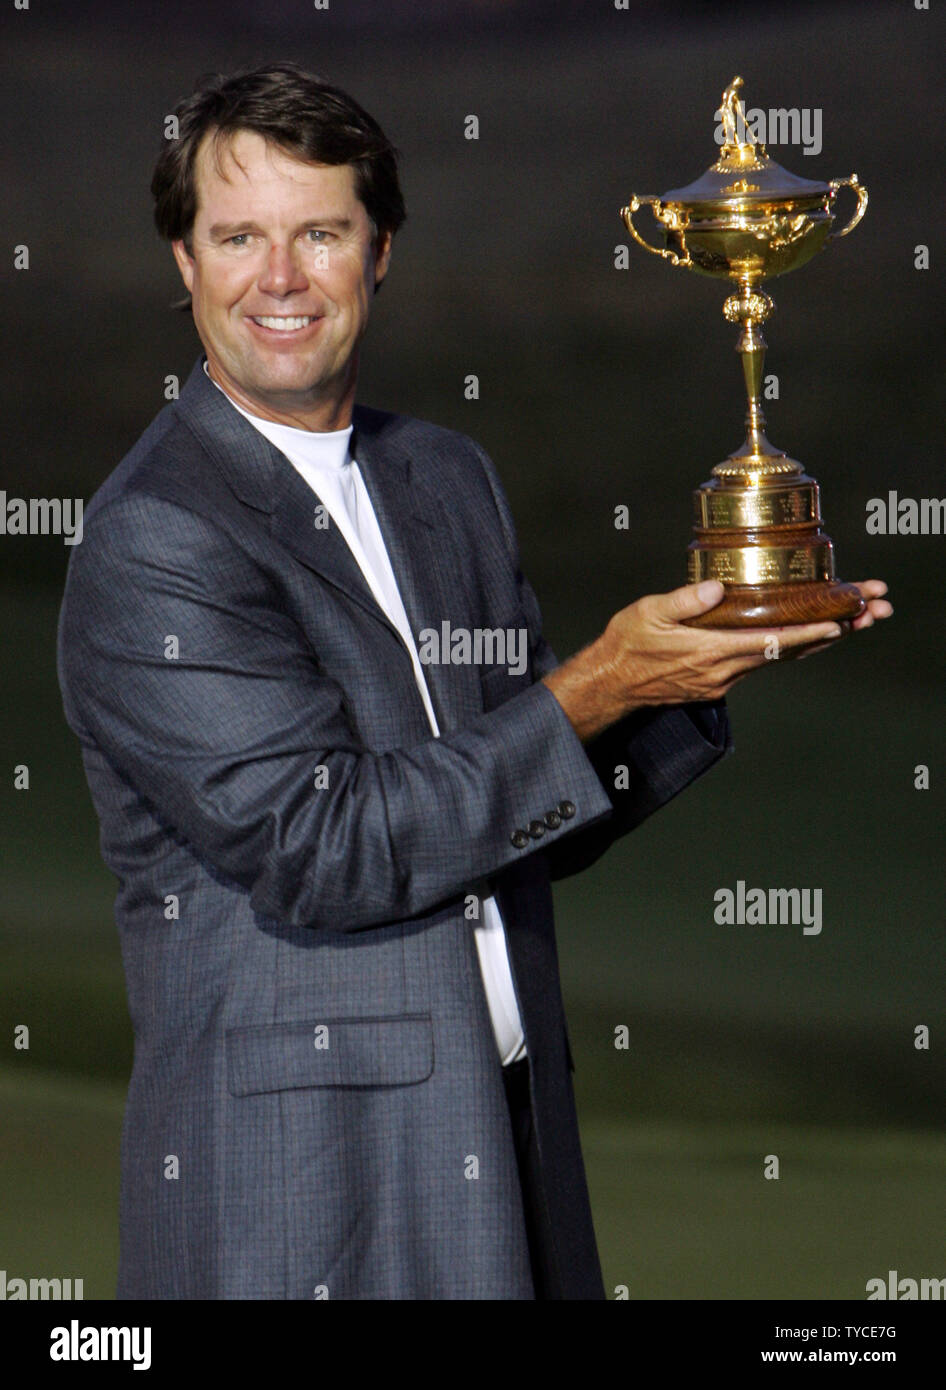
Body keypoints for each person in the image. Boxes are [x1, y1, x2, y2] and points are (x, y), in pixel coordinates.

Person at [56, 62, 890, 1302]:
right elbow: (325, 843)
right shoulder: (156, 535)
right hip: (307, 1182)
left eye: (320, 233)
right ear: (185, 263)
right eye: (237, 236)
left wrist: (689, 670)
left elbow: (510, 810)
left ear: (378, 250)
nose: (278, 278)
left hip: (504, 1136)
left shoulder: (442, 475)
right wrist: (601, 683)